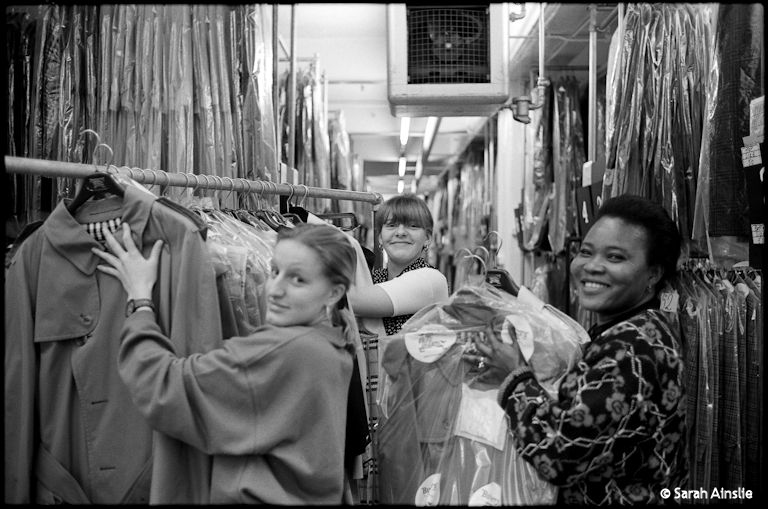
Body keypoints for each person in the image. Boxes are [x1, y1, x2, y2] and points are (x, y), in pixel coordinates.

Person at [92, 222, 359, 504]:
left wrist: (140, 302)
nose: (275, 290)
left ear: (334, 293)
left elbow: (164, 387)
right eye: (275, 272)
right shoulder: (333, 343)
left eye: (298, 280)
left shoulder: (290, 351)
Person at [471, 194, 688, 505]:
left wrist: (515, 377)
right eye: (586, 252)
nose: (592, 267)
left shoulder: (630, 348)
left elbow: (560, 455)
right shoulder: (636, 330)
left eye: (615, 257)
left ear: (653, 274)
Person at [348, 193, 449, 336]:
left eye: (413, 226)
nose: (400, 232)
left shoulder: (431, 280)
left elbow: (353, 300)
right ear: (380, 238)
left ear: (427, 238)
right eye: (391, 225)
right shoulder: (373, 278)